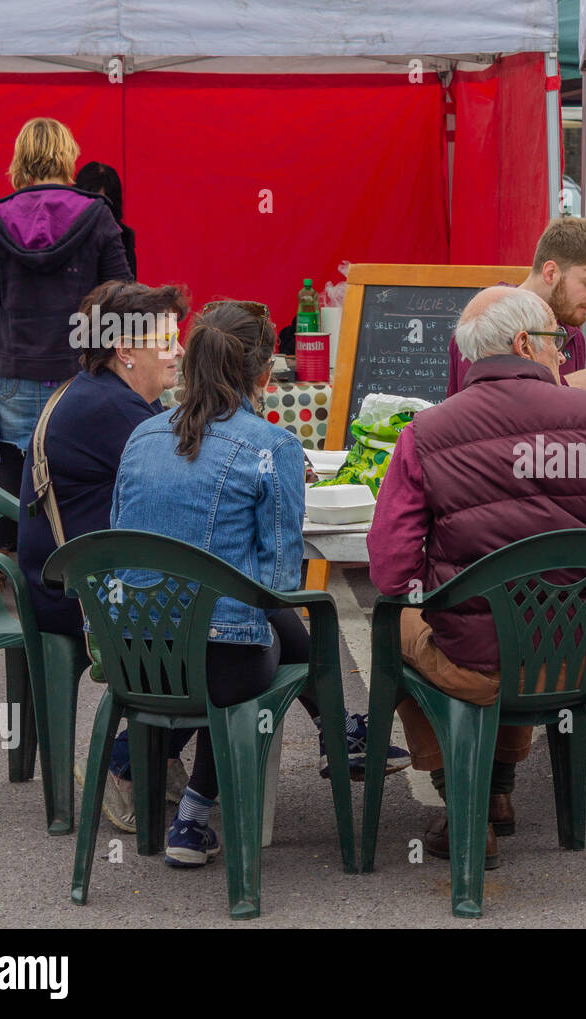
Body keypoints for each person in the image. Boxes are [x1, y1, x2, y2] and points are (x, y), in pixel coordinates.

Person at [112, 302, 403, 867]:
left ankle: (338, 732)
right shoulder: (272, 446)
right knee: (255, 624)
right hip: (223, 667)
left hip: (138, 658)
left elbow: (121, 544)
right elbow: (279, 581)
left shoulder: (140, 437)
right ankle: (198, 811)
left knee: (237, 620)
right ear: (266, 374)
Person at [368, 287, 586, 868]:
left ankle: (461, 800)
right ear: (524, 344)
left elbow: (391, 574)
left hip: (482, 667)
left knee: (396, 624)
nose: (565, 357)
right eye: (557, 343)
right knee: (522, 622)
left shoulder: (424, 434)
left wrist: (449, 574)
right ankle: (496, 792)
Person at [445, 218, 586, 734]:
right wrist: (571, 384)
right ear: (551, 271)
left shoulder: (567, 327)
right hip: (496, 498)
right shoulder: (488, 317)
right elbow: (472, 413)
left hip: (550, 490)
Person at [17, 280, 190, 831]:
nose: (179, 349)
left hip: (73, 579)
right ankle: (125, 761)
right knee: (236, 621)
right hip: (76, 596)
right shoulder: (114, 412)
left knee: (244, 609)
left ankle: (155, 752)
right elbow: (193, 492)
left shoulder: (105, 395)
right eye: (167, 338)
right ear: (125, 349)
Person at [0, 118, 133, 514]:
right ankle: (70, 567)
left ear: (20, 158)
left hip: (15, 366)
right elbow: (121, 294)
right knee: (78, 475)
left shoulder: (0, 215)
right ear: (68, 155)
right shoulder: (97, 214)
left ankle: (9, 565)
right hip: (78, 368)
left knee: (13, 473)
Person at [446, 218, 586, 404]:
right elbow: (476, 414)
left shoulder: (573, 335)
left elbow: (566, 419)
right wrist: (568, 386)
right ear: (551, 273)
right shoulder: (485, 325)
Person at [75, 161, 137, 277]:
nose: (97, 211)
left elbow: (128, 290)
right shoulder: (67, 234)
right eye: (90, 202)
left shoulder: (124, 236)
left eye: (103, 204)